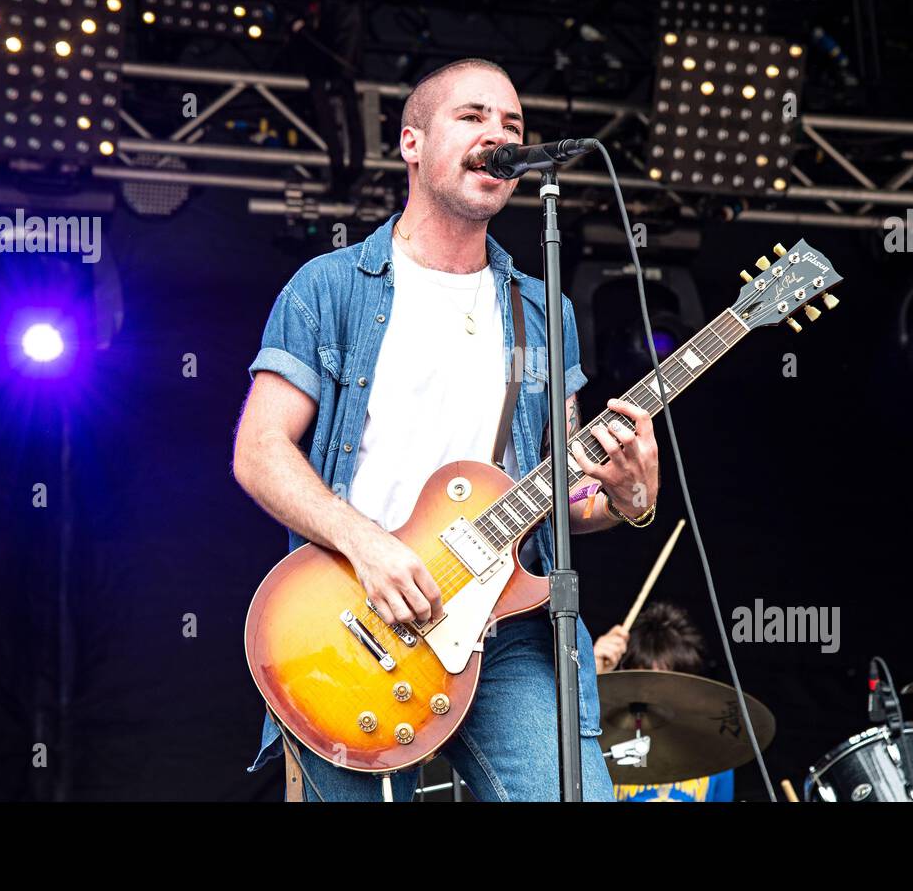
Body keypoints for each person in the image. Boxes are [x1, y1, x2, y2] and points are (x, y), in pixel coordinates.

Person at [232, 57, 661, 801]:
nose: (498, 134)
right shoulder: (329, 287)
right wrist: (366, 545)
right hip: (349, 618)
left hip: (509, 637)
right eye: (472, 117)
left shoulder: (541, 310)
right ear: (411, 143)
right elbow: (259, 451)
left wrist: (626, 500)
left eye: (514, 126)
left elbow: (563, 493)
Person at [593, 601, 735, 802]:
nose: (656, 695)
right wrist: (587, 676)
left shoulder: (715, 753)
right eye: (646, 682)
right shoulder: (599, 747)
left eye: (668, 683)